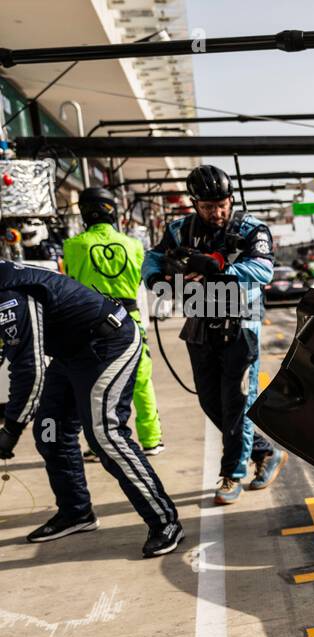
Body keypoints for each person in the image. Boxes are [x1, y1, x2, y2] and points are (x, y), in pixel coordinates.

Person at [0, 261, 183, 556]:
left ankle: (164, 521)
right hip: (71, 352)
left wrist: (11, 428)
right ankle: (76, 512)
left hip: (109, 342)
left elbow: (29, 369)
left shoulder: (8, 292)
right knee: (50, 431)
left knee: (105, 436)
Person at [142, 165, 286, 506]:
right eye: (207, 207)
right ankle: (265, 452)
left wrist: (220, 268)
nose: (216, 212)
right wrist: (155, 278)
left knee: (236, 401)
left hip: (241, 324)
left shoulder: (251, 228)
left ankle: (232, 473)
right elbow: (153, 256)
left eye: (221, 204)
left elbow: (264, 269)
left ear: (231, 199)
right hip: (200, 323)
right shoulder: (178, 230)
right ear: (194, 204)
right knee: (210, 400)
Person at [63, 187, 165, 457]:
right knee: (141, 378)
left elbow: (71, 280)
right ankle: (152, 439)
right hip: (129, 319)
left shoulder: (73, 246)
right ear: (113, 211)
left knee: (96, 383)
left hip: (90, 321)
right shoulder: (133, 244)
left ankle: (100, 444)